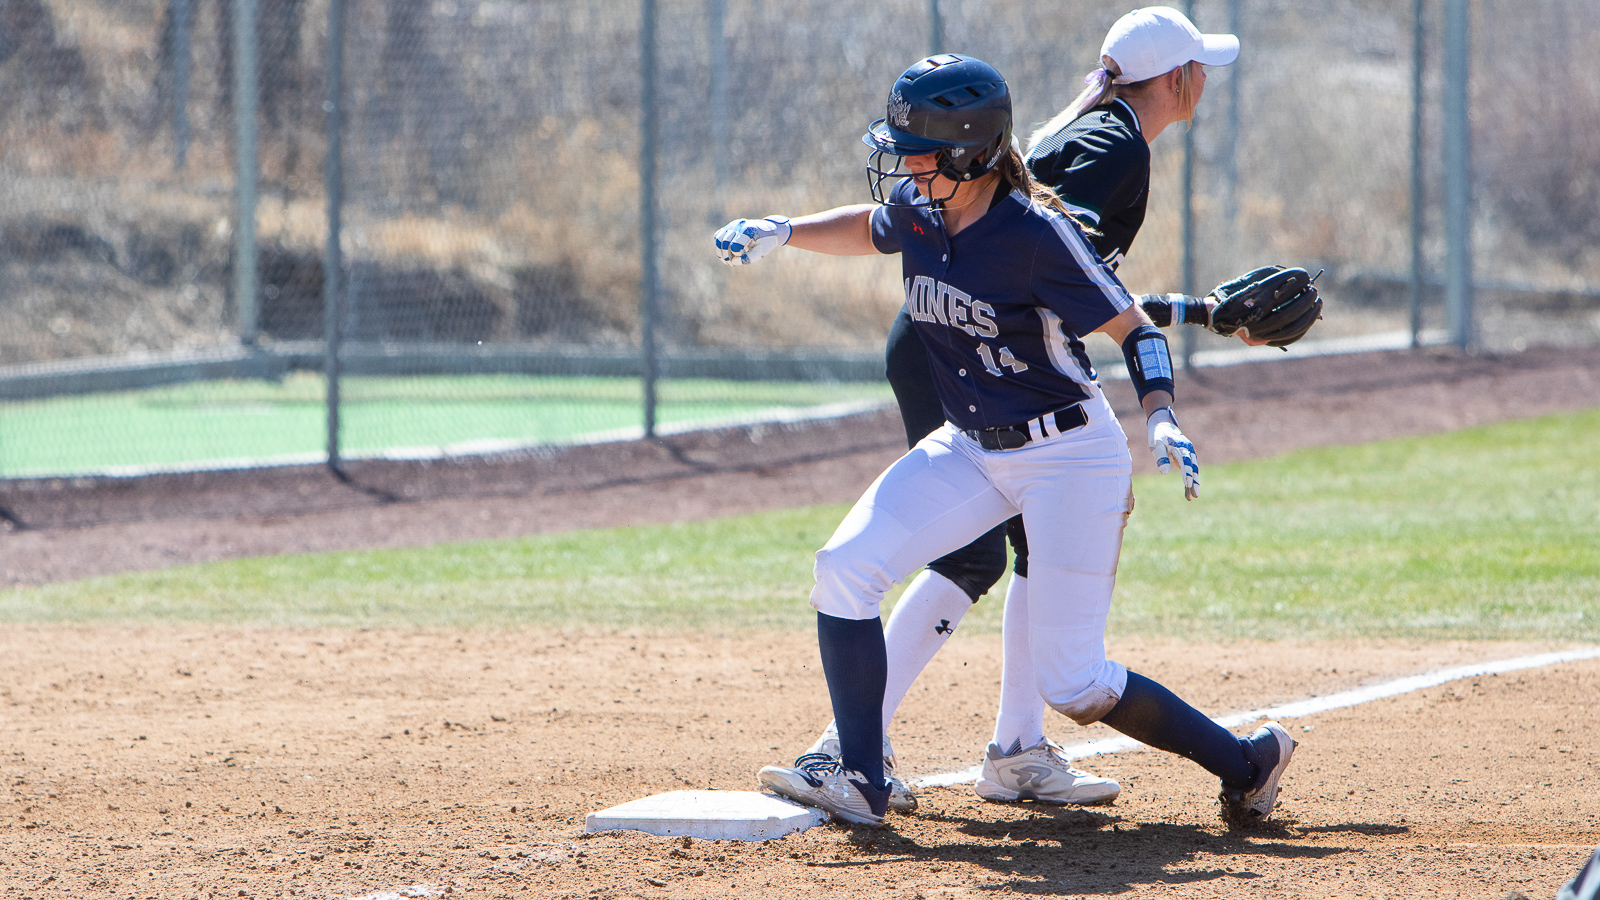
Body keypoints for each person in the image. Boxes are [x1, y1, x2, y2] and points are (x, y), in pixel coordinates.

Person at [714, 52, 1294, 827]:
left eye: (919, 151)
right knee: (843, 570)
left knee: (1074, 683)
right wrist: (783, 230)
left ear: (970, 150)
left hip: (1068, 459)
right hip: (974, 447)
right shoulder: (924, 210)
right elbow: (869, 227)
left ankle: (1249, 761)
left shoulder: (1036, 233)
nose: (905, 165)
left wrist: (1161, 414)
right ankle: (861, 777)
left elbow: (1134, 327)